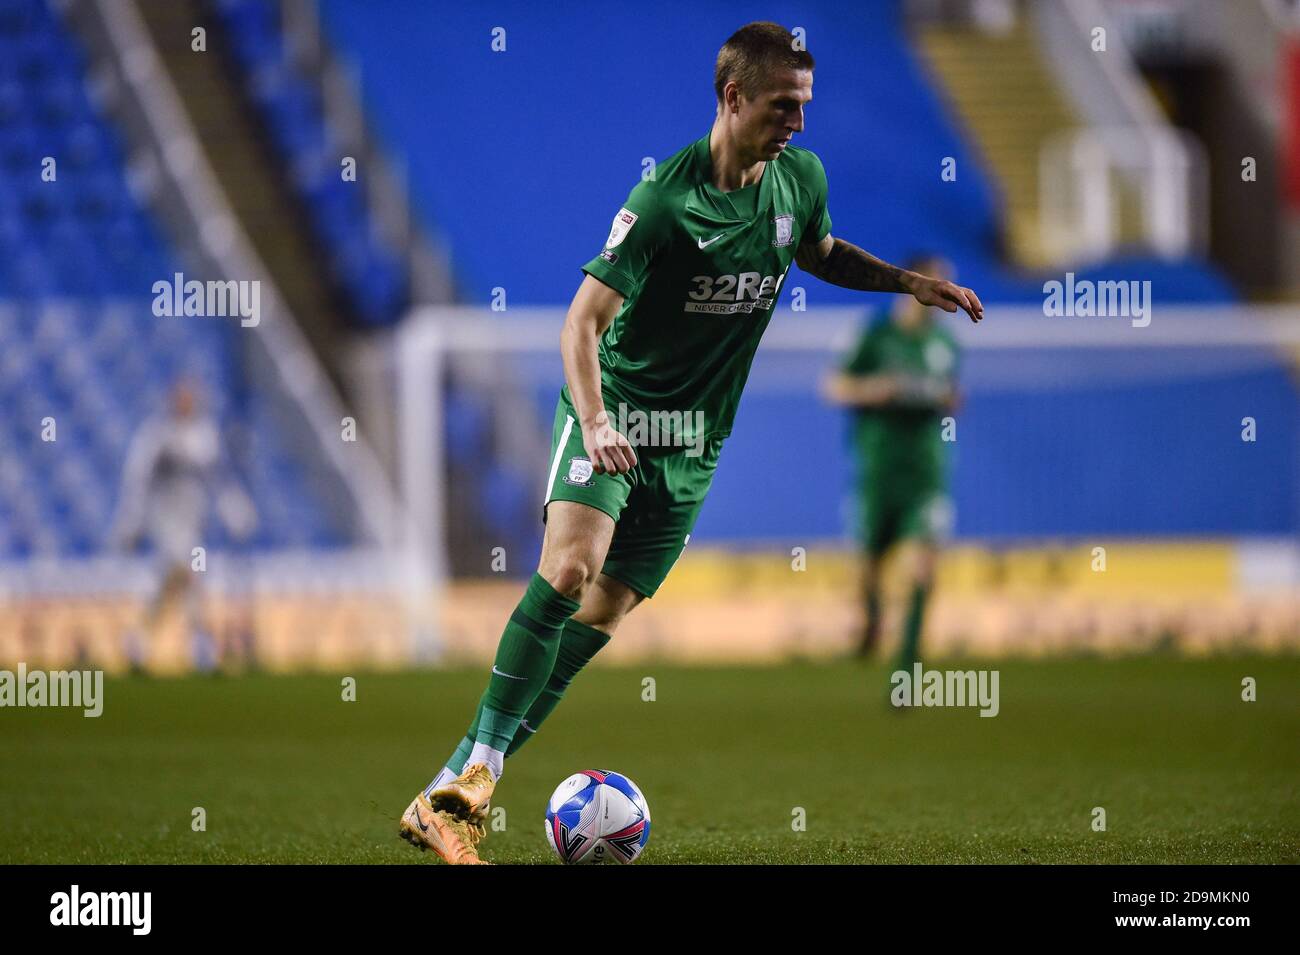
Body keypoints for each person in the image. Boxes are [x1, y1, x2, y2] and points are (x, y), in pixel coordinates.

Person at [399, 22, 982, 864]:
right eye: (783, 106)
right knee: (569, 571)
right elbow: (581, 322)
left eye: (805, 106)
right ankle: (478, 778)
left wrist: (905, 281)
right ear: (734, 98)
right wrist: (595, 420)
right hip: (615, 416)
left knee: (603, 611)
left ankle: (444, 793)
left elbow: (818, 251)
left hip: (694, 445)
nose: (798, 123)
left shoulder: (801, 180)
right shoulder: (663, 202)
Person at [823, 254, 961, 676]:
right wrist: (875, 390)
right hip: (878, 470)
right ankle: (870, 630)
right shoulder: (875, 334)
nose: (949, 296)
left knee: (923, 566)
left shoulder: (945, 344)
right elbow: (835, 386)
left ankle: (909, 663)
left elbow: (952, 395)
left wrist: (947, 400)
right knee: (867, 567)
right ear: (919, 284)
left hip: (926, 473)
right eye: (942, 284)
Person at [112, 380, 257, 672]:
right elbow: (137, 480)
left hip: (193, 523)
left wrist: (235, 510)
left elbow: (218, 479)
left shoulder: (205, 437)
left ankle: (142, 639)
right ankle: (200, 644)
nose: (186, 403)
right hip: (165, 521)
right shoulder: (156, 436)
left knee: (179, 580)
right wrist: (130, 521)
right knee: (189, 572)